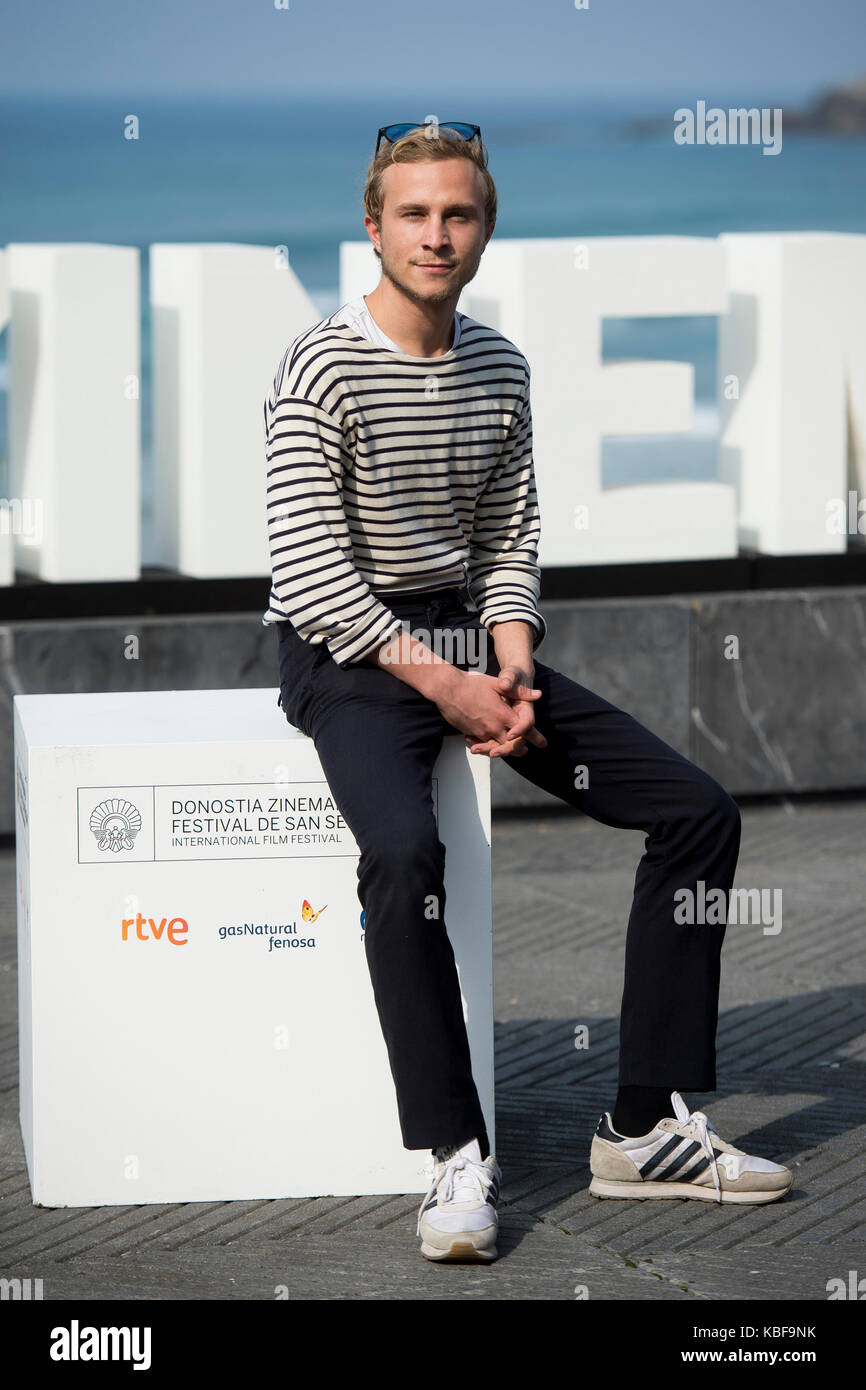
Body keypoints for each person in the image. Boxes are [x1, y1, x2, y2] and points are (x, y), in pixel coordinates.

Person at [262, 120, 793, 1264]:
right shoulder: (319, 365)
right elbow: (308, 572)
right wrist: (448, 689)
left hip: (463, 634)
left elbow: (508, 533)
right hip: (345, 655)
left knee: (696, 810)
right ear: (373, 226)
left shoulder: (498, 366)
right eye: (412, 213)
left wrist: (506, 655)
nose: (434, 234)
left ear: (484, 228)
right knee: (404, 854)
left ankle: (643, 1124)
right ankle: (455, 1155)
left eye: (456, 213)